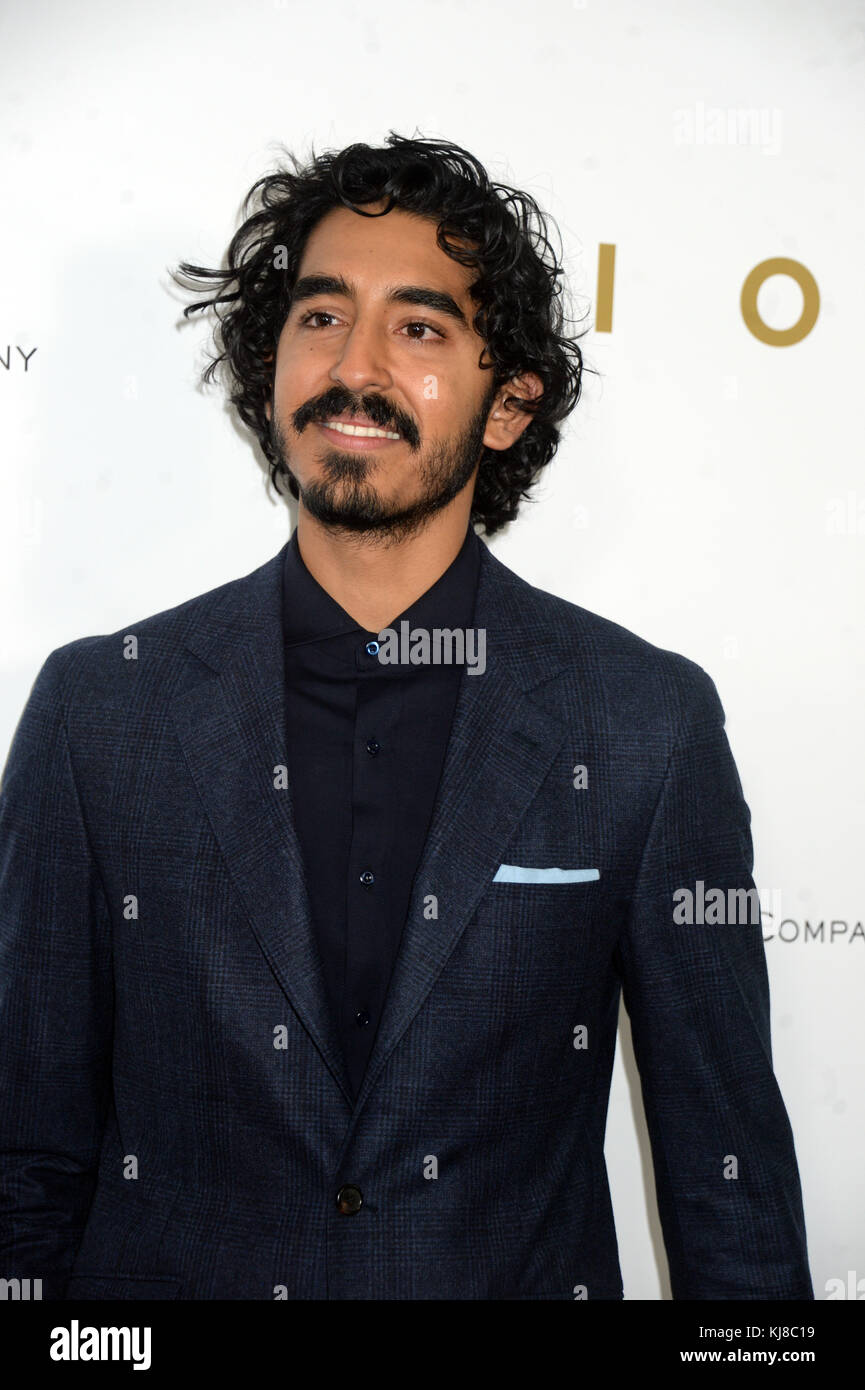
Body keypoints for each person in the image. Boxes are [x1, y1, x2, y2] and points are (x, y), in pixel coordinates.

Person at [0, 134, 812, 1300]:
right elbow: (23, 1160)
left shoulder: (642, 721)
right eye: (321, 316)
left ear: (507, 402)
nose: (356, 364)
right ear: (269, 365)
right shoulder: (99, 710)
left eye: (420, 328)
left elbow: (728, 1191)